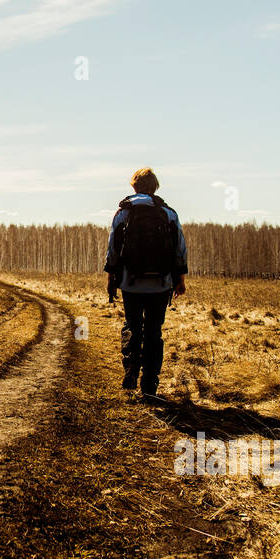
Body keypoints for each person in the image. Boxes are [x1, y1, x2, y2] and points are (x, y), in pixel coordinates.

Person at [103, 168, 188, 398]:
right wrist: (180, 279)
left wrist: (111, 279)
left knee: (132, 326)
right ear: (155, 187)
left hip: (131, 283)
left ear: (134, 187)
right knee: (153, 331)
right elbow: (180, 249)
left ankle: (131, 371)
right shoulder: (168, 213)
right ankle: (150, 383)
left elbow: (113, 250)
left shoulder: (124, 213)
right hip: (161, 284)